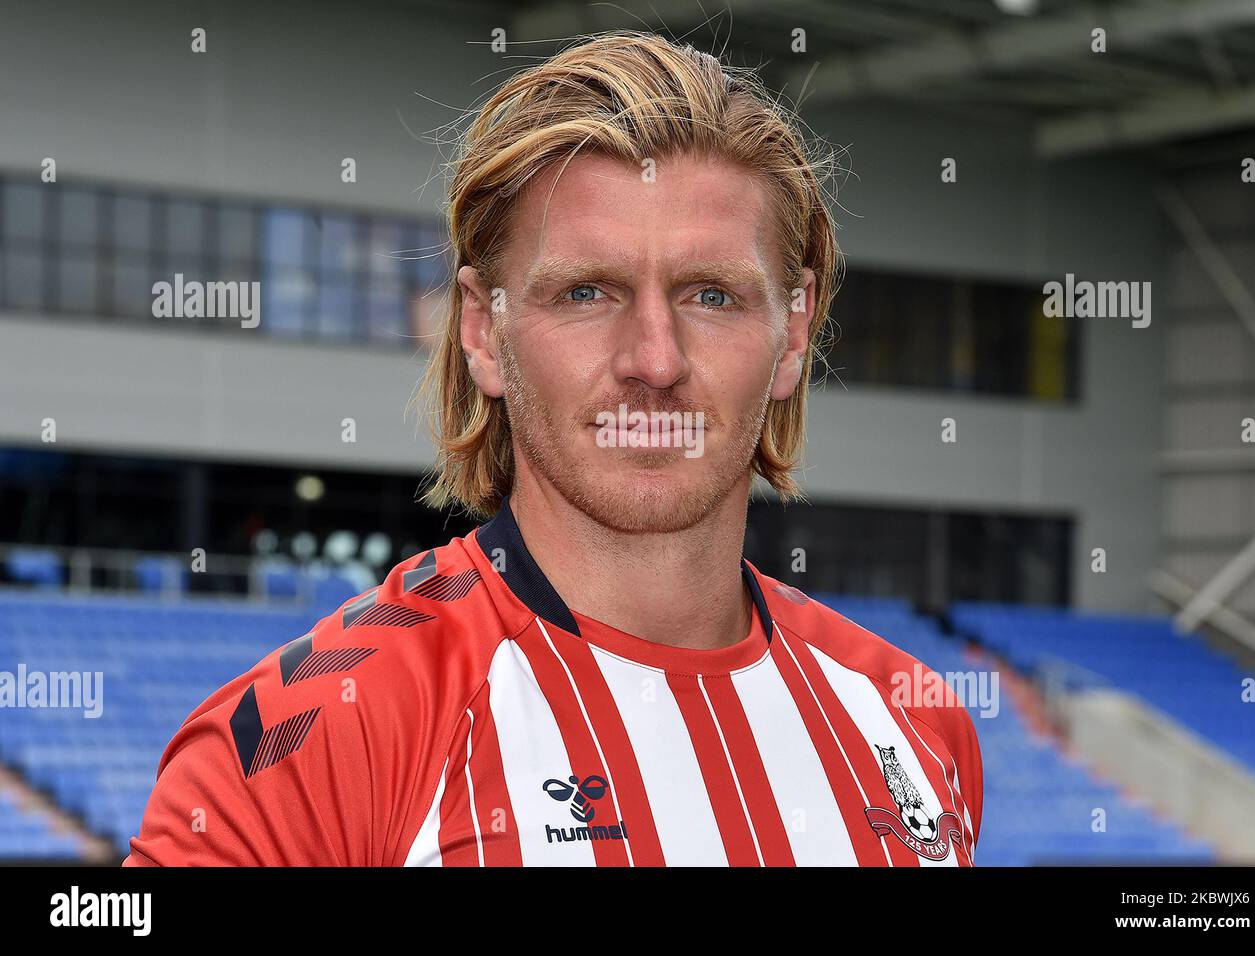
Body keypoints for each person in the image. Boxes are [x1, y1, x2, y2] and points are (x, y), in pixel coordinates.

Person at [127, 31, 981, 867]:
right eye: (585, 292)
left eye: (712, 295)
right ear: (482, 330)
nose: (655, 361)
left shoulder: (913, 721)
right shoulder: (309, 744)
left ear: (793, 331)